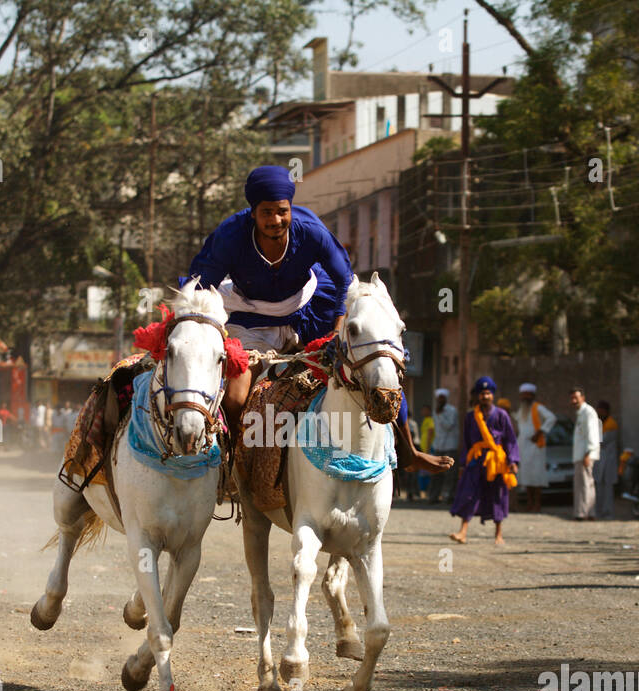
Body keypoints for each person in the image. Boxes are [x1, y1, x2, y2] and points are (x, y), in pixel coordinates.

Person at [185, 165, 448, 475]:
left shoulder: (311, 230)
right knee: (235, 397)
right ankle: (230, 463)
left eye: (282, 211)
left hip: (311, 308)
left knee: (375, 367)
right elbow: (199, 287)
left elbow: (344, 281)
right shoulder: (229, 236)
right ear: (253, 213)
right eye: (266, 212)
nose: (275, 220)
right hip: (249, 316)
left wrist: (336, 332)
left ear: (290, 208)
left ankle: (409, 452)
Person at [448, 377, 518, 544]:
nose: (485, 396)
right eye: (482, 393)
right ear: (478, 396)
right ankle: (462, 532)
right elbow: (466, 442)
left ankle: (498, 534)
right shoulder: (471, 417)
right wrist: (463, 464)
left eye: (488, 393)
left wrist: (513, 461)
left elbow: (510, 439)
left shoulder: (502, 415)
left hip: (496, 461)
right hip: (476, 460)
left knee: (497, 496)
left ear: (492, 395)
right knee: (469, 494)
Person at [514, 382, 556, 513]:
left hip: (536, 446)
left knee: (536, 476)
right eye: (523, 394)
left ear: (532, 395)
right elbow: (518, 422)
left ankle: (537, 504)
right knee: (526, 476)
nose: (525, 397)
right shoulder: (522, 409)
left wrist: (540, 432)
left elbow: (551, 418)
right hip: (523, 447)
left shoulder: (538, 407)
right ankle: (529, 503)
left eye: (527, 394)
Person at [569, 387, 600, 520]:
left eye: (576, 397)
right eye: (572, 398)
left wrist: (588, 453)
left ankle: (584, 513)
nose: (574, 401)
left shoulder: (588, 412)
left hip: (585, 455)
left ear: (583, 397)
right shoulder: (581, 413)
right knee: (584, 484)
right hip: (581, 455)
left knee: (585, 484)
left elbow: (593, 433)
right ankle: (587, 512)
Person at [594, 400, 619, 519]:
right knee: (599, 487)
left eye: (601, 410)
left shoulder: (611, 424)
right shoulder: (599, 423)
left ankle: (608, 513)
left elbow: (601, 441)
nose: (599, 412)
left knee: (608, 489)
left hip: (608, 460)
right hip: (599, 461)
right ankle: (599, 512)